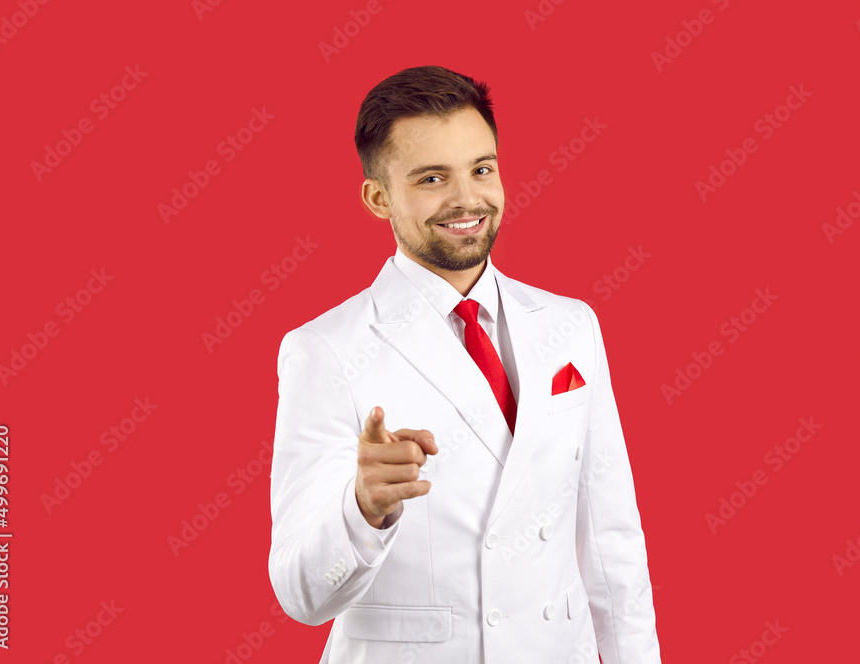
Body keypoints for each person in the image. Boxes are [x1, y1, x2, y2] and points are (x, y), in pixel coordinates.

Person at [268, 65, 661, 663]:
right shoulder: (324, 349)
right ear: (380, 198)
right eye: (432, 178)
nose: (467, 199)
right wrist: (364, 507)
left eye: (482, 169)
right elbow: (300, 592)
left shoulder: (570, 324)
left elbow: (612, 542)